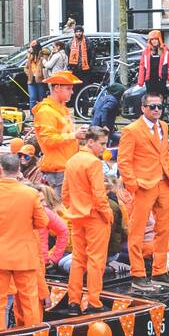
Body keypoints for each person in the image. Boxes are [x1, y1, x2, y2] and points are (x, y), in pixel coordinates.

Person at [0, 153, 48, 325]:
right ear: (18, 170)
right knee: (29, 300)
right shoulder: (31, 194)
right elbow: (42, 222)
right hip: (24, 255)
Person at [118, 91, 169, 291]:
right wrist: (133, 185)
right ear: (143, 108)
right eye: (152, 106)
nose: (157, 110)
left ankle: (159, 271)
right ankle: (138, 274)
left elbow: (165, 154)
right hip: (144, 185)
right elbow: (124, 161)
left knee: (163, 230)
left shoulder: (164, 127)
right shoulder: (131, 130)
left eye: (159, 106)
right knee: (138, 230)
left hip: (164, 183)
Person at [63, 126, 114, 309]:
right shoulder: (93, 162)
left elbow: (65, 194)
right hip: (94, 216)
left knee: (78, 259)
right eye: (102, 144)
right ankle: (94, 301)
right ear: (90, 142)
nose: (104, 148)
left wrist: (74, 208)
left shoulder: (72, 161)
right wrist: (107, 214)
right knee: (95, 260)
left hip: (77, 216)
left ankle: (73, 301)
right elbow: (99, 194)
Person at [33, 70, 83, 190]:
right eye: (69, 88)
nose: (72, 91)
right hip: (58, 172)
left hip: (66, 168)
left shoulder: (61, 109)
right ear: (57, 88)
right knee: (60, 207)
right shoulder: (46, 112)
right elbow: (48, 140)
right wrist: (74, 135)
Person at [137, 30, 169, 96]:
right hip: (149, 80)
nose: (154, 41)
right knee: (151, 99)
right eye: (152, 39)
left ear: (159, 39)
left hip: (161, 79)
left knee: (161, 98)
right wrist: (140, 81)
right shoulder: (146, 51)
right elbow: (142, 66)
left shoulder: (165, 50)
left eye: (156, 39)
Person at [24, 41, 45, 105]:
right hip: (31, 80)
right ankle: (32, 114)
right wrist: (29, 74)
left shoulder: (42, 56)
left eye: (32, 47)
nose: (30, 49)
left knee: (41, 99)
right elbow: (26, 67)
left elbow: (45, 66)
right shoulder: (30, 56)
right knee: (32, 98)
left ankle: (41, 113)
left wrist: (41, 73)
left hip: (40, 80)